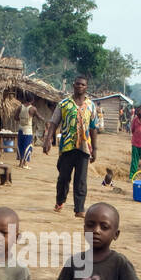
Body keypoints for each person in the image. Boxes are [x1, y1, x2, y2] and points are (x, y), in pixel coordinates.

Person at [43, 75, 98, 216]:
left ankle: (79, 209)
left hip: (84, 147)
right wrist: (48, 139)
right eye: (78, 84)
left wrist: (95, 149)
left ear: (86, 87)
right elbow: (54, 122)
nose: (80, 86)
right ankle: (60, 200)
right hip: (67, 147)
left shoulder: (91, 106)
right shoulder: (64, 104)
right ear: (73, 85)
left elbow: (93, 128)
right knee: (63, 178)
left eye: (83, 85)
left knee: (81, 180)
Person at [16, 100, 37, 167]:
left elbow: (15, 117)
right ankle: (24, 163)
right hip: (28, 130)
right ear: (32, 100)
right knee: (27, 146)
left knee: (21, 145)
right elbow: (38, 116)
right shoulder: (33, 108)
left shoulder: (20, 107)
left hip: (21, 129)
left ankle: (20, 163)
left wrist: (22, 119)